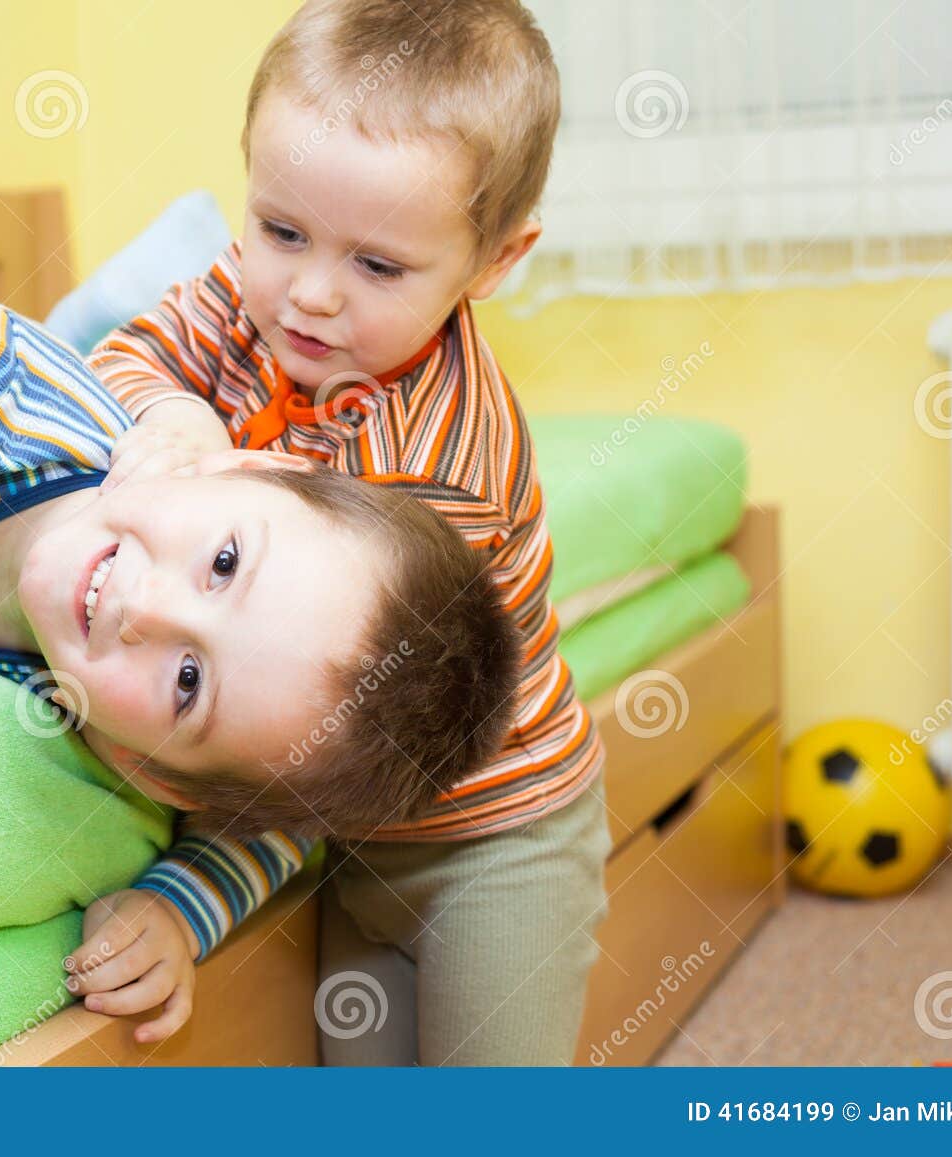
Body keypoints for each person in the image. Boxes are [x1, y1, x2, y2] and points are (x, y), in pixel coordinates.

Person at [84, 0, 611, 1065]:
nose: (310, 296)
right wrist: (177, 413)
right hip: (347, 834)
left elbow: (329, 725)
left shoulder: (437, 474)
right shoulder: (245, 292)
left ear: (495, 259)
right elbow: (120, 356)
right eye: (282, 231)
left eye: (378, 267)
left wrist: (184, 892)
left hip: (491, 836)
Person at [0, 279, 523, 1044]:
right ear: (239, 467)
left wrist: (175, 909)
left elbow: (271, 832)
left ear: (153, 774)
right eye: (224, 562)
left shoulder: (83, 703)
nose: (146, 606)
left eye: (188, 681)